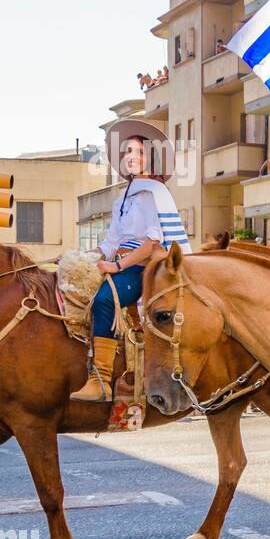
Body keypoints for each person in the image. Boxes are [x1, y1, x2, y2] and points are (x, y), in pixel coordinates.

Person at [72, 120, 193, 402]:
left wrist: (116, 266)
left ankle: (100, 379)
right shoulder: (122, 199)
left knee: (104, 300)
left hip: (144, 267)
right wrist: (80, 258)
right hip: (123, 263)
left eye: (139, 152)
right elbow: (111, 242)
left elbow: (152, 243)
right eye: (128, 152)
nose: (132, 157)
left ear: (150, 157)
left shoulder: (154, 193)